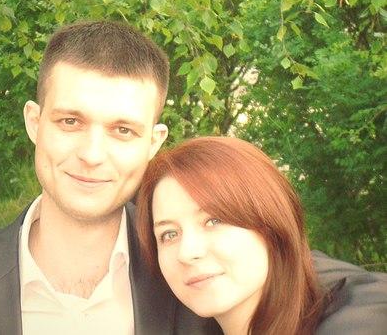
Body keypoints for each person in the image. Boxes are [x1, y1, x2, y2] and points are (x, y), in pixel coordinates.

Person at [0, 21, 387, 335]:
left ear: (153, 140)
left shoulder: (191, 267)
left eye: (122, 130)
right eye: (70, 121)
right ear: (35, 123)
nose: (91, 155)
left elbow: (351, 291)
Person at [136, 136, 387, 335]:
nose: (187, 252)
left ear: (271, 224)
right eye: (169, 234)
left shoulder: (360, 319)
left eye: (214, 221)